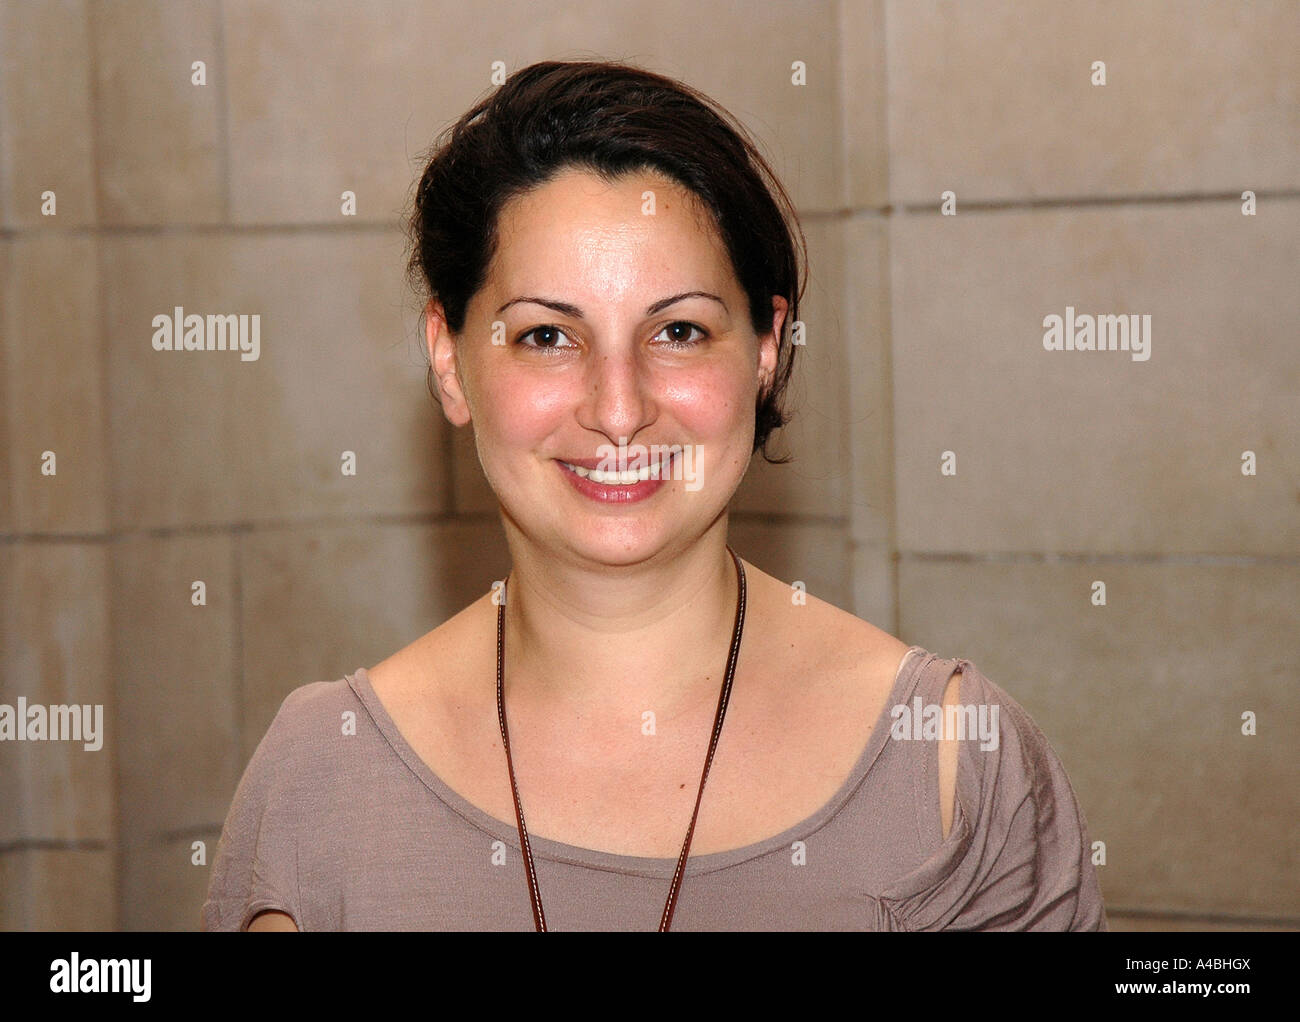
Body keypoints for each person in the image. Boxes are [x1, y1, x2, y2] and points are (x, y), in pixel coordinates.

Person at [201, 59, 1106, 931]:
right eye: (547, 337)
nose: (619, 408)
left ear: (764, 349)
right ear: (449, 360)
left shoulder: (948, 764)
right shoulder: (324, 776)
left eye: (678, 329)